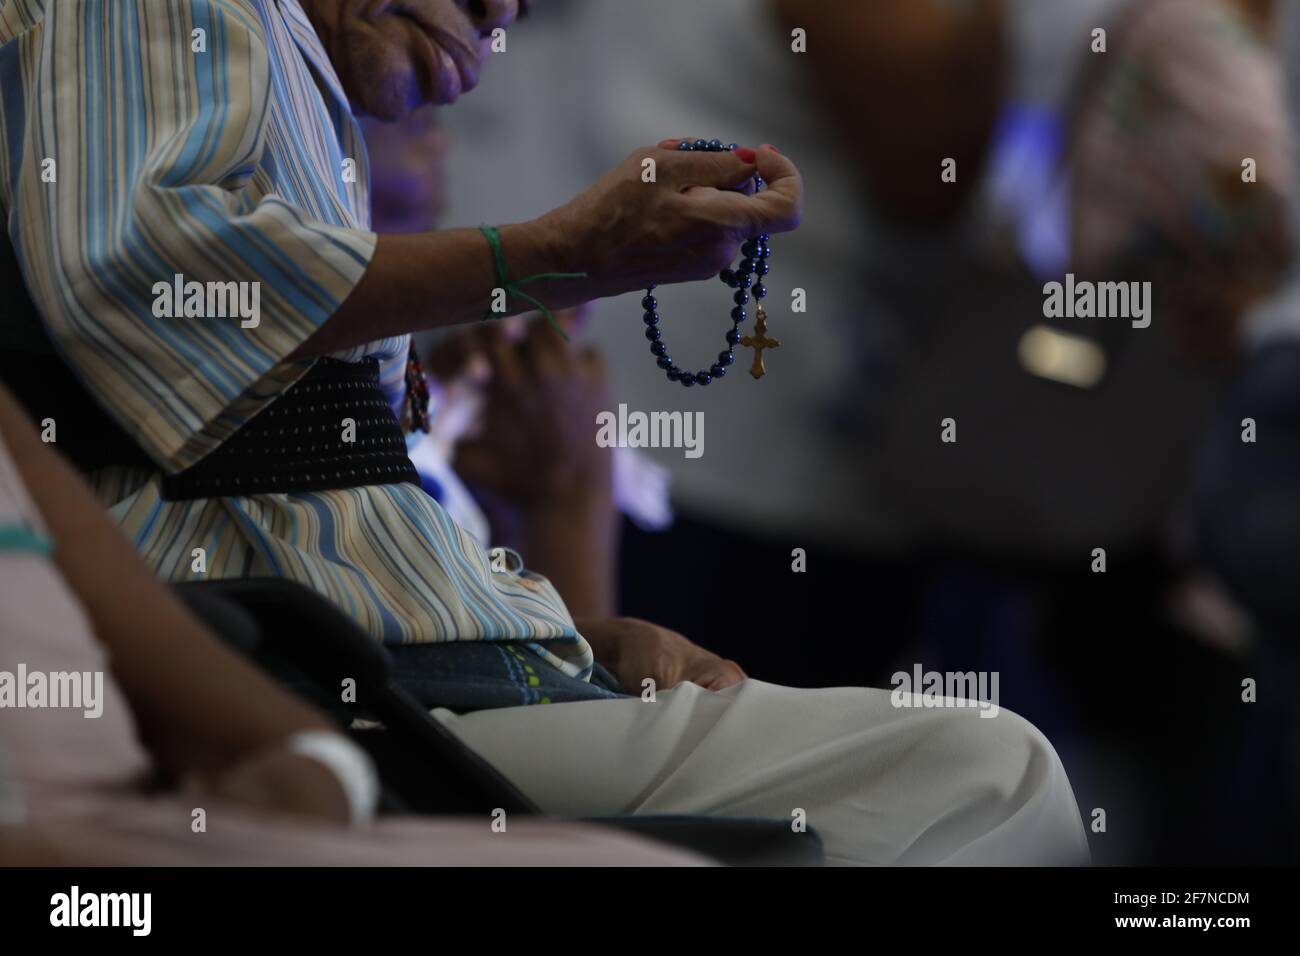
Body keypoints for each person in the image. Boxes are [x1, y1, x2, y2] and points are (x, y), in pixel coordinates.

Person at [0, 0, 1089, 864]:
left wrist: (569, 630)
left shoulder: (293, 72)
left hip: (388, 673)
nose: (501, 12)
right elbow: (155, 273)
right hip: (288, 677)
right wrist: (553, 251)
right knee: (990, 777)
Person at [0, 382, 704, 866]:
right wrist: (568, 505)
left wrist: (317, 764)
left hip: (149, 825)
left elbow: (147, 627)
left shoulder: (15, 435)